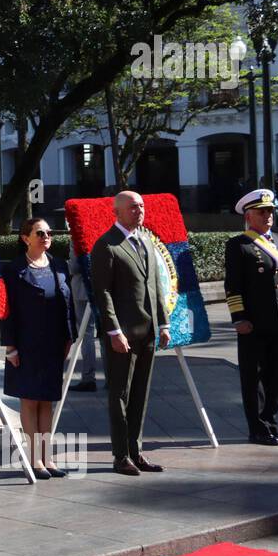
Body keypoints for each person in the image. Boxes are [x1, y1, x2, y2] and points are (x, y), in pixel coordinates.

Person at [90, 191, 171, 477]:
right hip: (122, 335)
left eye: (141, 206)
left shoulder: (146, 241)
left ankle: (136, 451)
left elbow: (156, 286)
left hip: (147, 332)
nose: (139, 211)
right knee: (120, 394)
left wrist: (163, 324)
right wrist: (113, 330)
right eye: (133, 207)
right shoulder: (106, 245)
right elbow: (103, 293)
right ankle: (121, 455)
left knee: (140, 394)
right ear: (118, 212)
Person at [224, 188, 278, 446]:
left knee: (277, 377)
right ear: (248, 216)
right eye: (261, 212)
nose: (267, 216)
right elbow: (233, 285)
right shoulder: (239, 245)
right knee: (254, 379)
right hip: (254, 324)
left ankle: (271, 424)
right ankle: (257, 428)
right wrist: (239, 318)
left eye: (270, 211)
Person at [1, 218, 76, 479]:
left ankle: (49, 458)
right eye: (40, 233)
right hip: (26, 342)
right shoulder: (14, 269)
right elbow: (7, 311)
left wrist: (69, 337)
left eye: (49, 233)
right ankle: (35, 460)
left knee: (48, 401)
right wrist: (11, 346)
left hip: (54, 342)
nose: (46, 237)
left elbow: (68, 304)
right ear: (25, 238)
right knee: (30, 400)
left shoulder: (59, 265)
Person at [67, 241, 98, 392]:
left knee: (86, 334)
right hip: (103, 289)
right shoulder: (104, 233)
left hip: (82, 290)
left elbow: (74, 266)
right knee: (105, 333)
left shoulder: (77, 237)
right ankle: (112, 379)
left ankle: (88, 377)